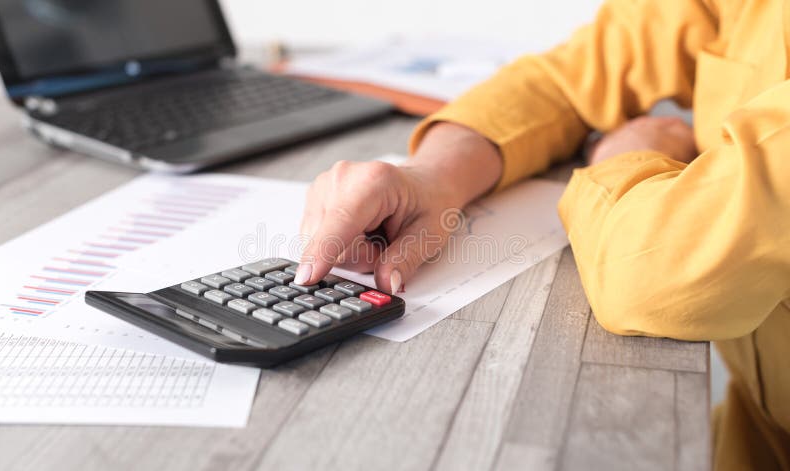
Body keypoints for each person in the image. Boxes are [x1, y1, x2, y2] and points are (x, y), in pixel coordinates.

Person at [293, 0, 790, 468]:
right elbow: (571, 79)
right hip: (752, 436)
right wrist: (433, 175)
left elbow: (653, 274)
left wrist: (624, 155)